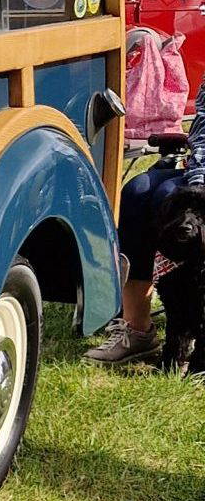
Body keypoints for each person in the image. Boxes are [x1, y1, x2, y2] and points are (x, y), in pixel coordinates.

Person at [87, 82, 205, 364]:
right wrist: (199, 179)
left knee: (168, 197)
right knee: (137, 191)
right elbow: (200, 135)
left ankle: (193, 323)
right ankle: (137, 330)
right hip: (199, 171)